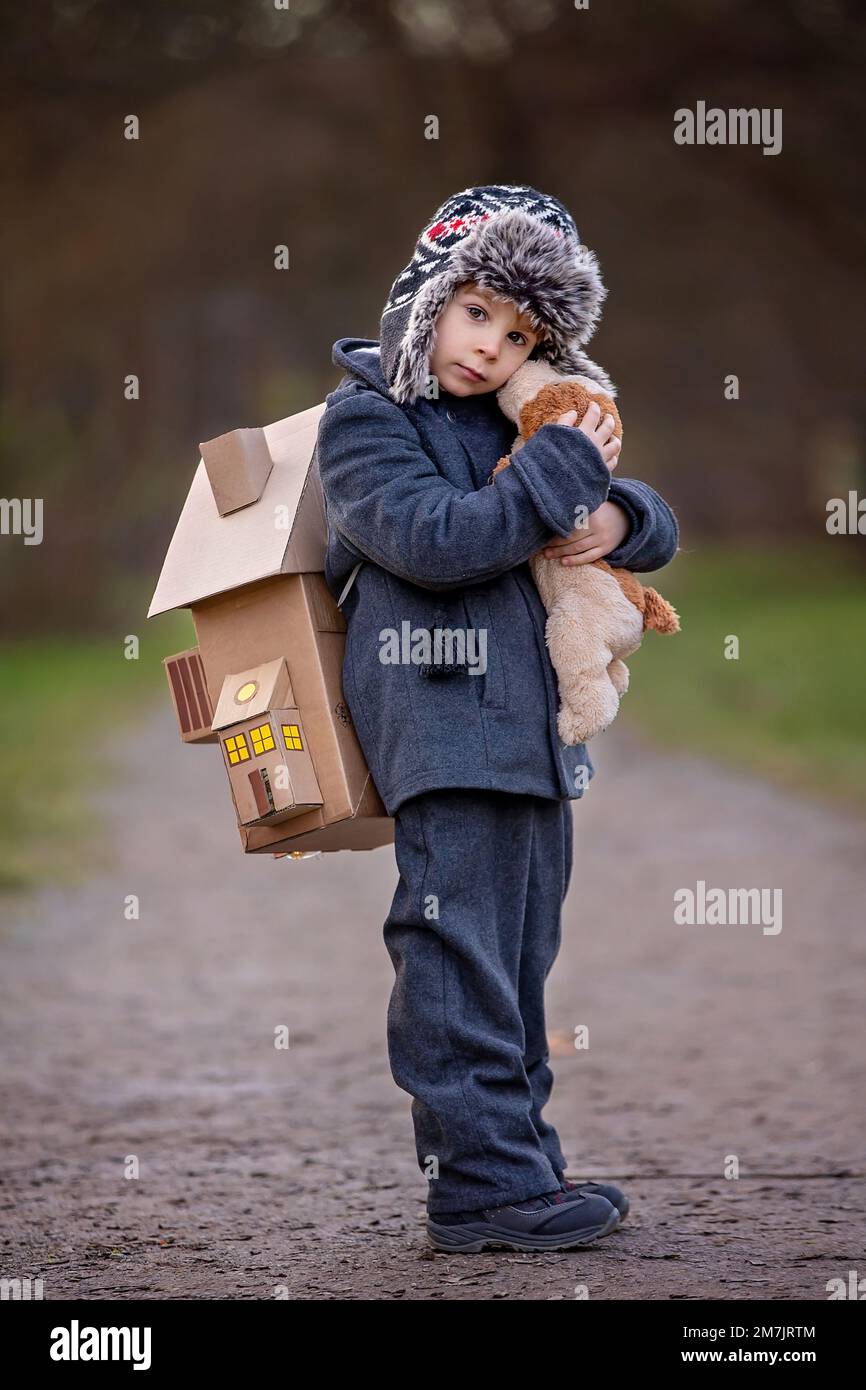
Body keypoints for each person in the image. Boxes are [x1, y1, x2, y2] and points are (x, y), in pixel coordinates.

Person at [316, 184, 679, 1253]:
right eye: (477, 312)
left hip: (529, 733)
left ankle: (520, 1159)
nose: (489, 348)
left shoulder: (512, 421)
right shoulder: (369, 418)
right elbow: (434, 539)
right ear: (425, 295)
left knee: (517, 958)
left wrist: (620, 510)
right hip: (437, 716)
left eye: (520, 333)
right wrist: (565, 475)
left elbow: (626, 524)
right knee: (452, 950)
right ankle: (476, 1188)